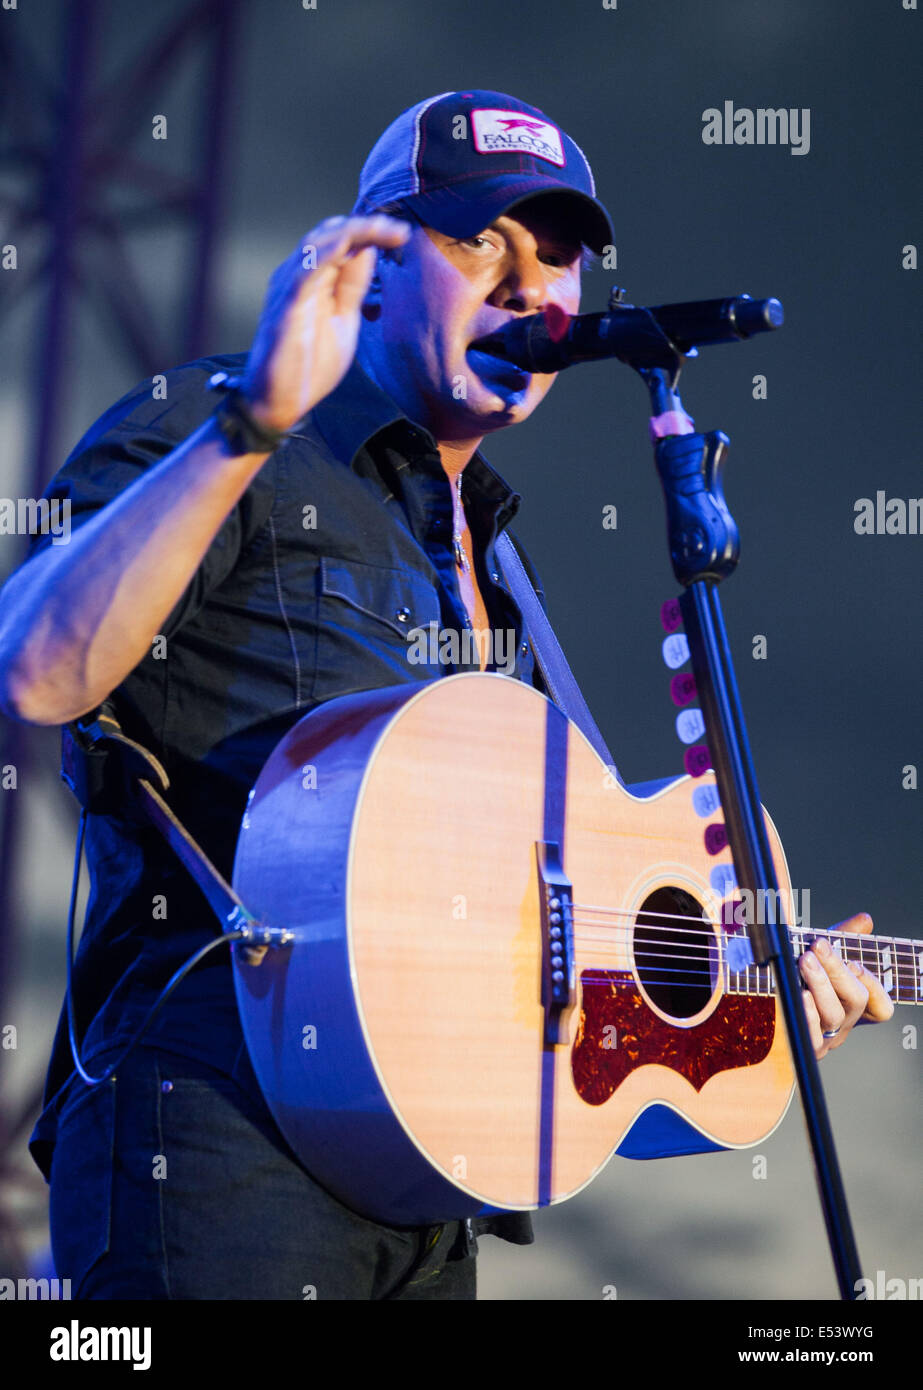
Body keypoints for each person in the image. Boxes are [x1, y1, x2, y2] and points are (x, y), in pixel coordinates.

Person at [0, 90, 894, 1301]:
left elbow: (540, 930)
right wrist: (247, 423)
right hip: (220, 1140)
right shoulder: (219, 424)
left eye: (559, 254)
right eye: (482, 240)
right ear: (366, 262)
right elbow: (37, 668)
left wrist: (753, 989)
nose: (530, 285)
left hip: (429, 1185)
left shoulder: (493, 558)